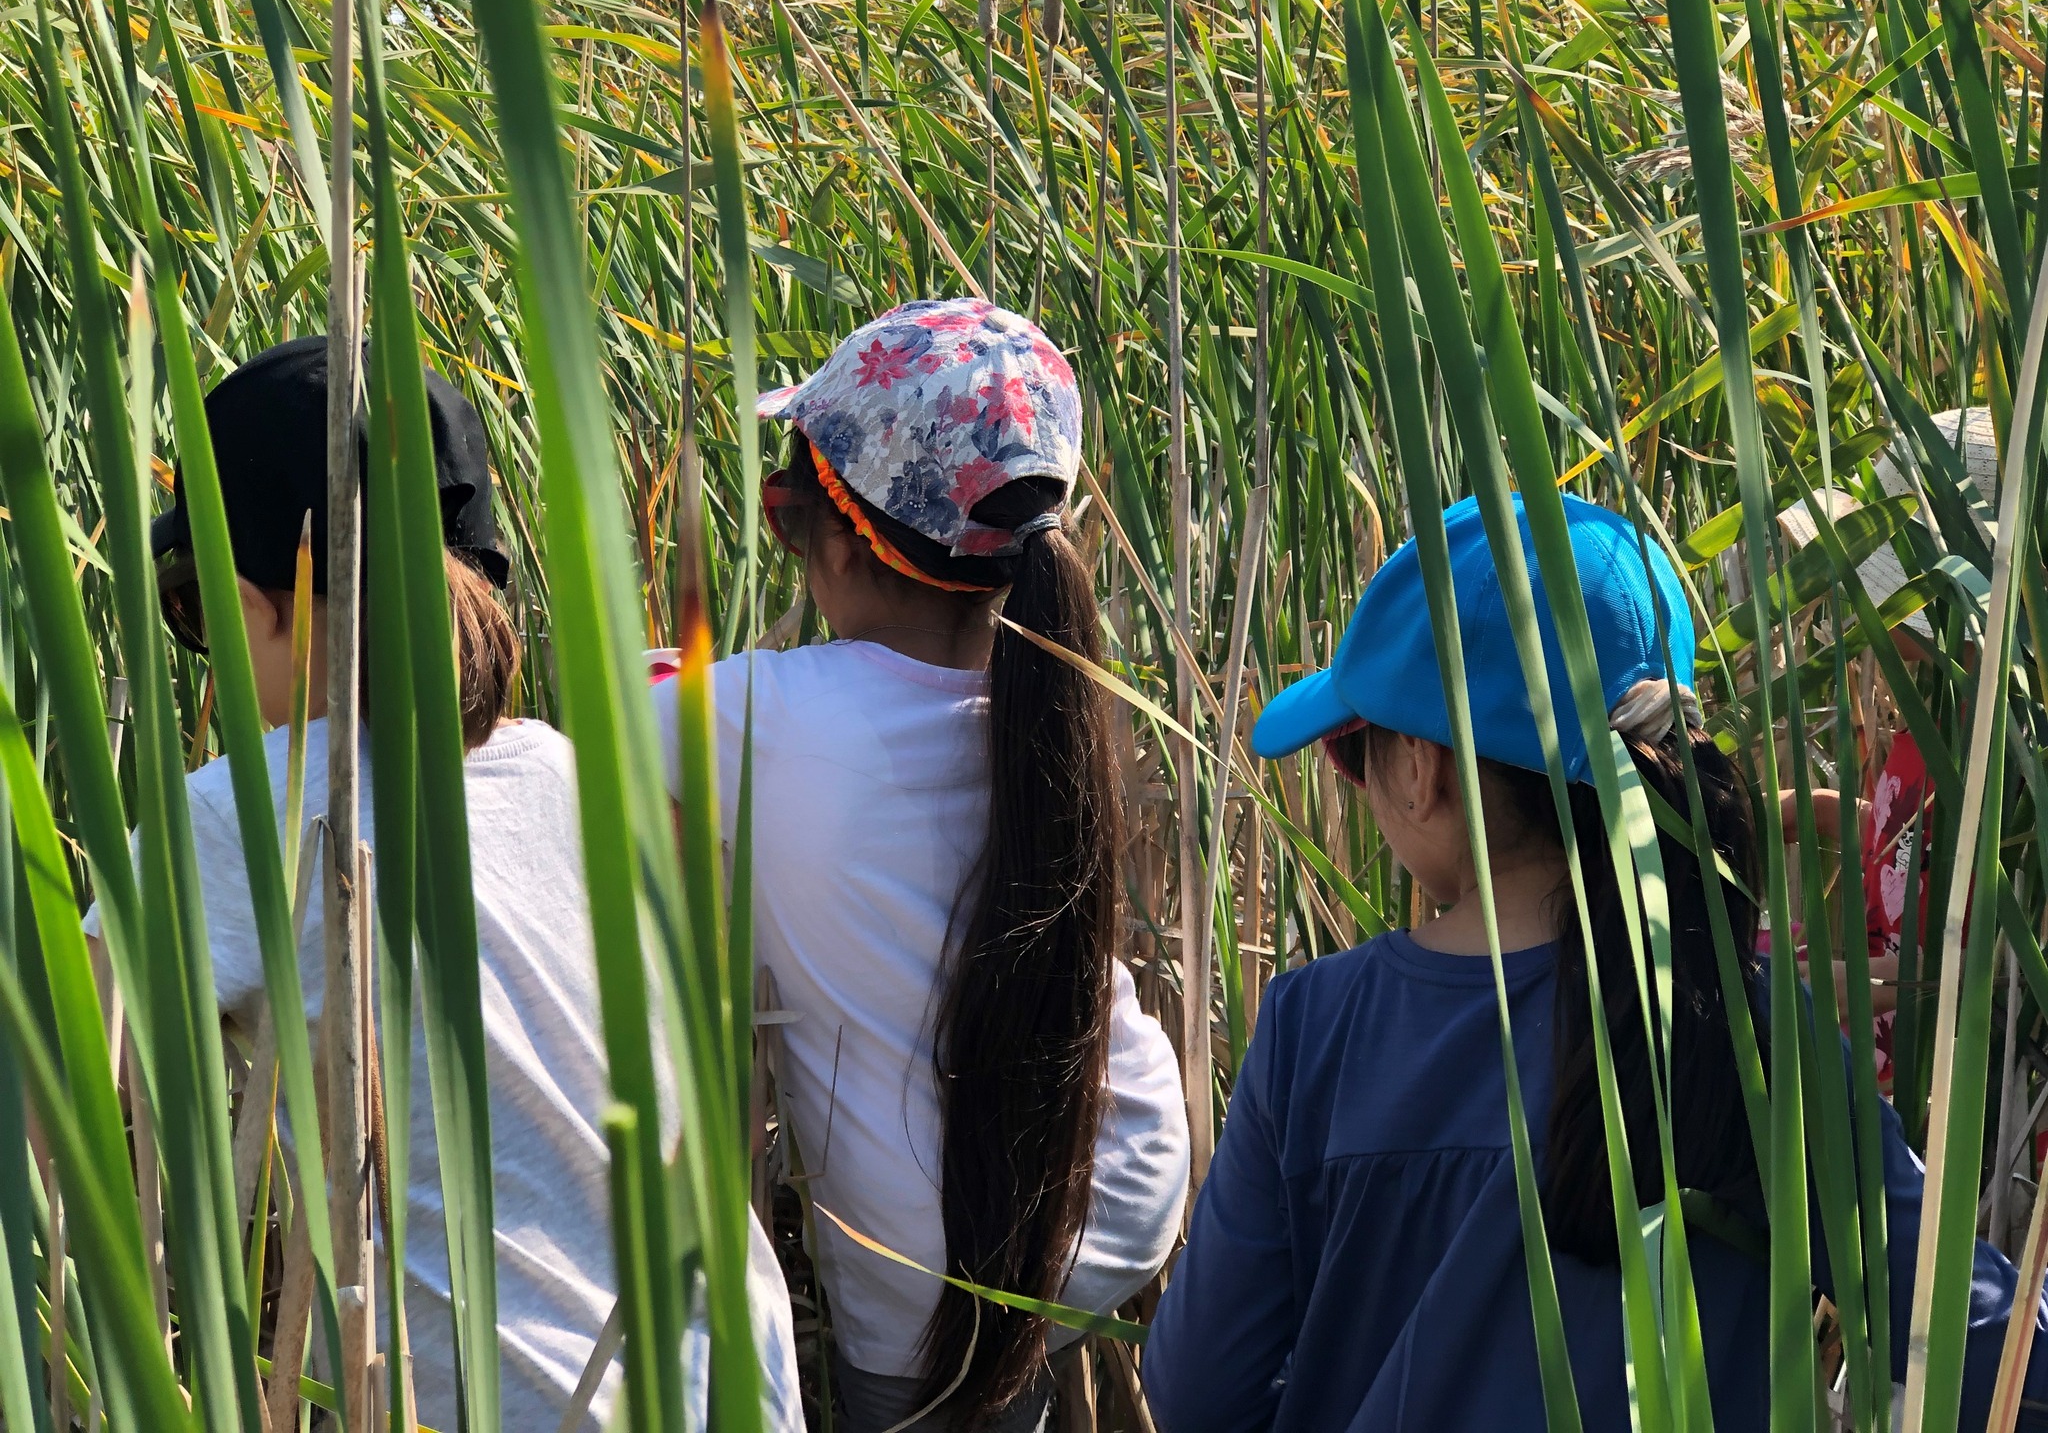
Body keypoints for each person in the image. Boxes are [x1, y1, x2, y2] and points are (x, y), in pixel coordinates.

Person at [1143, 492, 2048, 1431]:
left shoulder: (1310, 1034)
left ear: (1421, 767)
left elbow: (1195, 1391)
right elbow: (1991, 1352)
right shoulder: (1748, 1028)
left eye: (1350, 750)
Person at [110, 338, 801, 1433]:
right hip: (734, 1389)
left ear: (250, 606)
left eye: (189, 614)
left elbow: (43, 1091)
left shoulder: (250, 811)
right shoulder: (583, 783)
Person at [652, 300, 1189, 1432]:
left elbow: (612, 714)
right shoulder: (1055, 695)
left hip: (924, 1277)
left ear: (839, 542)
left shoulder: (770, 717)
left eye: (788, 522)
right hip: (1122, 1187)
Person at [1769, 407, 2001, 1092]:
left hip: (1917, 1076)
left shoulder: (2002, 757)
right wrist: (1818, 811)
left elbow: (1977, 973)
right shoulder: (1940, 715)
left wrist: (1822, 985)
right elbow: (1914, 846)